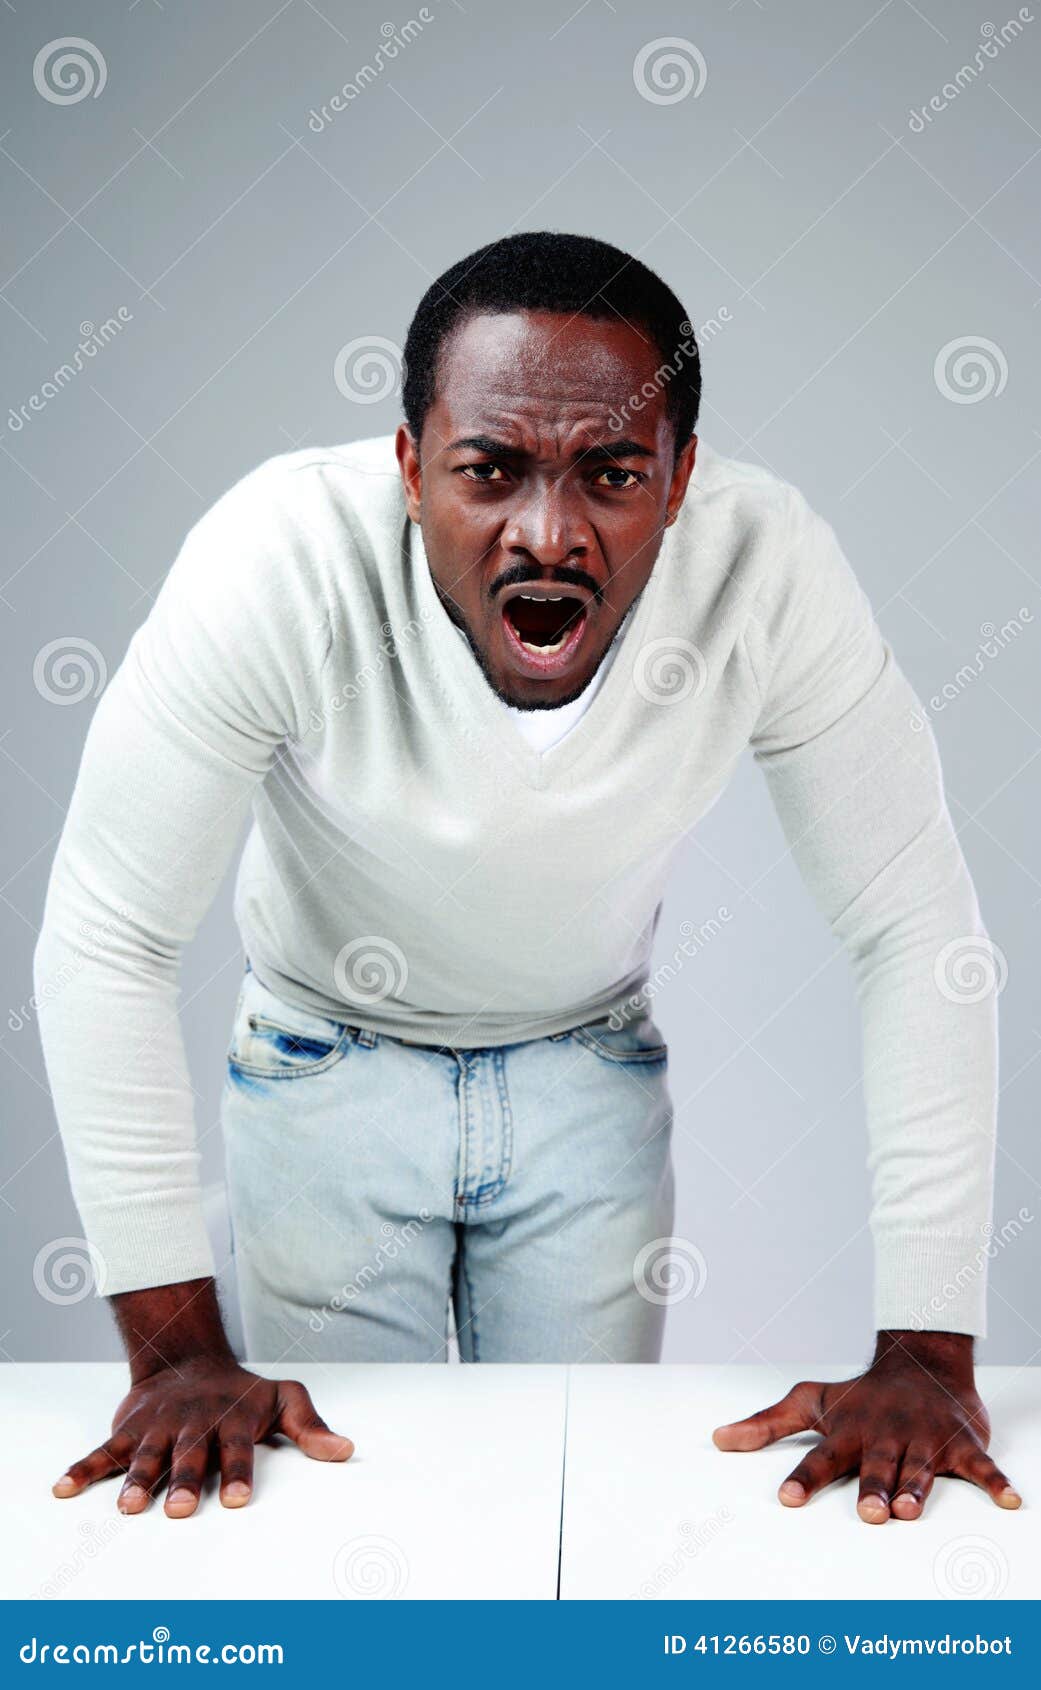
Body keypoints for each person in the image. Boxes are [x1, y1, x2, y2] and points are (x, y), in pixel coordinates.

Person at [34, 232, 1020, 1526]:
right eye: (488, 470)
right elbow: (106, 936)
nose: (545, 533)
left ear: (677, 483)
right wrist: (173, 1352)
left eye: (609, 473)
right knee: (342, 1541)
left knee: (566, 1524)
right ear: (406, 468)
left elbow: (914, 930)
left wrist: (926, 1350)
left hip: (582, 1077)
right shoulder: (275, 560)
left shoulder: (764, 565)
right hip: (323, 1073)